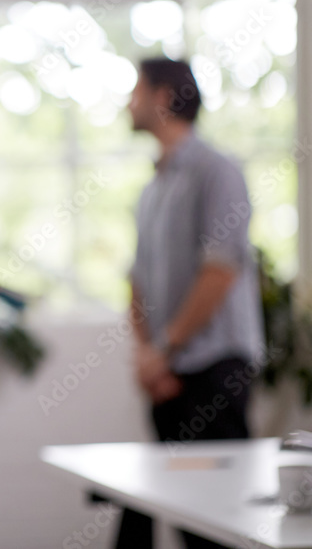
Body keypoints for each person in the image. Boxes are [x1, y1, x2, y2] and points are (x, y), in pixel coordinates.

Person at [112, 58, 263, 549]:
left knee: (220, 525)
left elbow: (220, 271)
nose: (128, 102)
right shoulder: (153, 187)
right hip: (167, 374)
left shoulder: (217, 171)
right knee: (179, 518)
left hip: (214, 370)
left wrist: (165, 350)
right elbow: (137, 282)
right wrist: (148, 355)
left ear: (161, 98)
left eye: (136, 90)